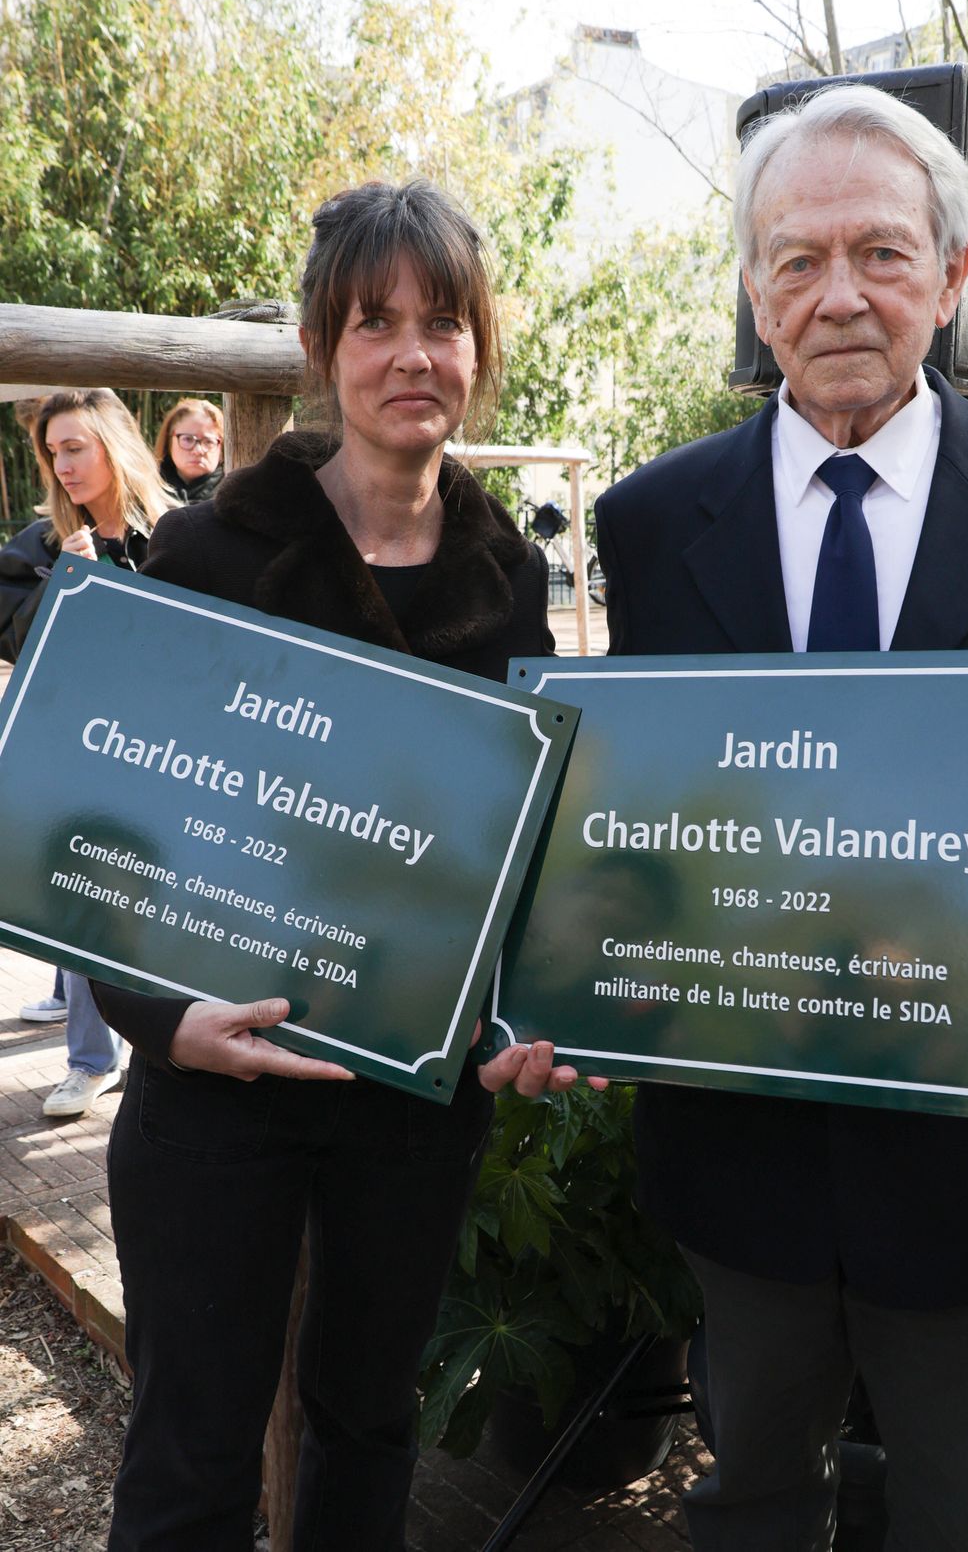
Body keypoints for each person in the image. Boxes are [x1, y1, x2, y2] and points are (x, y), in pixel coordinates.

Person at [564, 85, 968, 1552]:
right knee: (752, 1502)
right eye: (797, 259)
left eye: (881, 253)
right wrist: (584, 956)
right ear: (754, 290)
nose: (838, 293)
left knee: (961, 1516)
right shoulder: (652, 521)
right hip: (740, 1154)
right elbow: (639, 806)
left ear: (956, 273)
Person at [91, 178, 565, 1552]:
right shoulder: (208, 551)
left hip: (407, 1100)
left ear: (479, 346)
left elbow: (517, 847)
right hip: (214, 1083)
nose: (414, 355)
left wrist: (526, 1011)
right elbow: (102, 816)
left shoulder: (509, 580)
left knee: (367, 1429)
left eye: (443, 322)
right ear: (321, 347)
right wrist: (161, 1021)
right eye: (375, 323)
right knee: (191, 1455)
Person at [0, 388, 177, 1116]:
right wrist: (63, 588)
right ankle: (90, 1060)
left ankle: (162, 1052)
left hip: (172, 756)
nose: (62, 465)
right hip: (80, 751)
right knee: (80, 897)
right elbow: (13, 639)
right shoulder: (43, 544)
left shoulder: (176, 534)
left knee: (161, 904)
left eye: (75, 447)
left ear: (115, 445)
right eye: (52, 452)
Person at [153, 396, 225, 503]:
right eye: (187, 439)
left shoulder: (234, 495)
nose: (198, 450)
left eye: (208, 442)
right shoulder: (147, 493)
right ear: (169, 441)